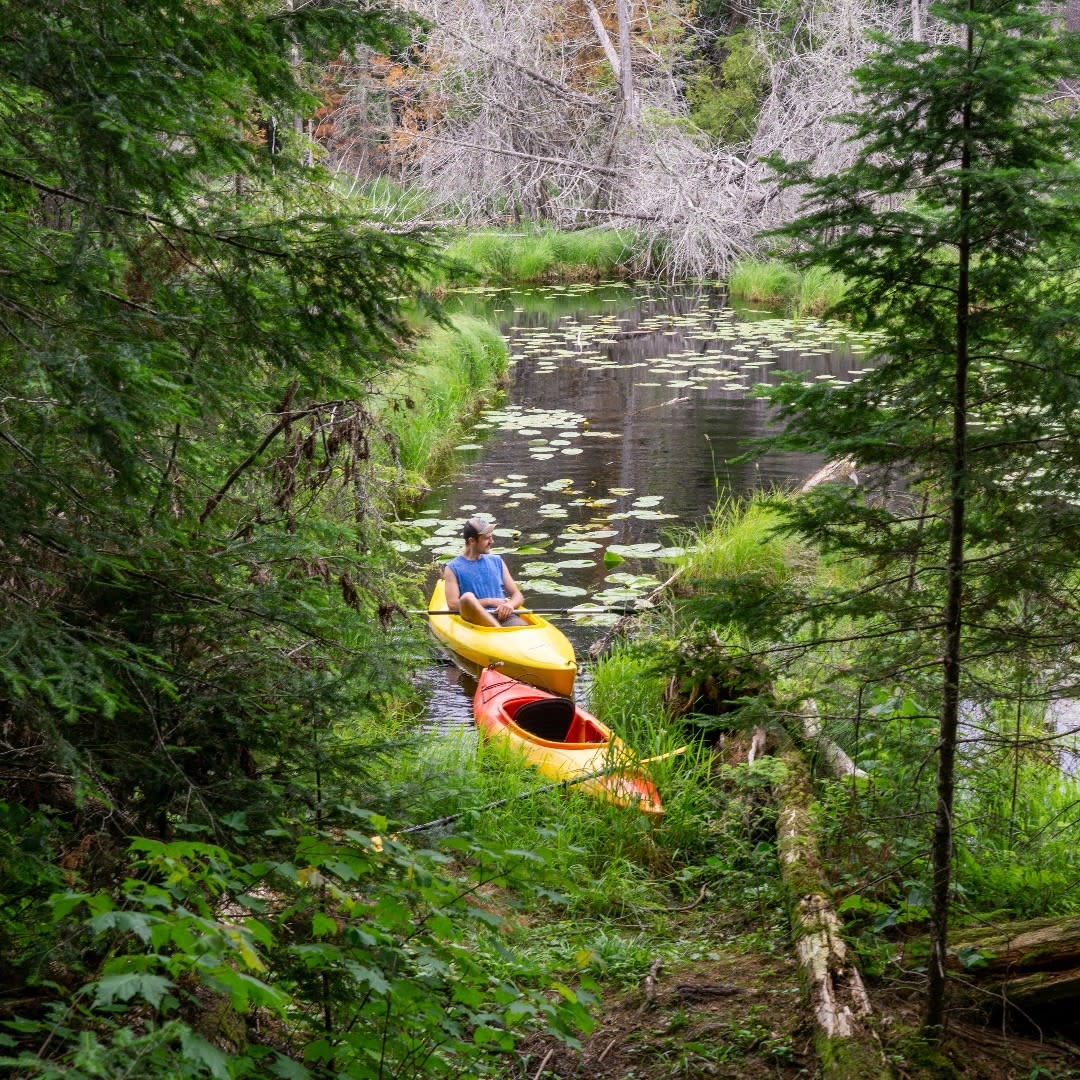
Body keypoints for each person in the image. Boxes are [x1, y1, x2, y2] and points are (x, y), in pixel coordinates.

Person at [444, 516, 526, 626]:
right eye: (487, 538)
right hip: (475, 618)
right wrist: (488, 601)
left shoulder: (497, 561)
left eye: (491, 537)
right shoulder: (452, 568)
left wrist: (509, 605)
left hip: (504, 617)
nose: (492, 541)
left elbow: (517, 595)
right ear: (472, 541)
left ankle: (498, 631)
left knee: (523, 630)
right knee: (467, 597)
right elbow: (453, 605)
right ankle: (498, 631)